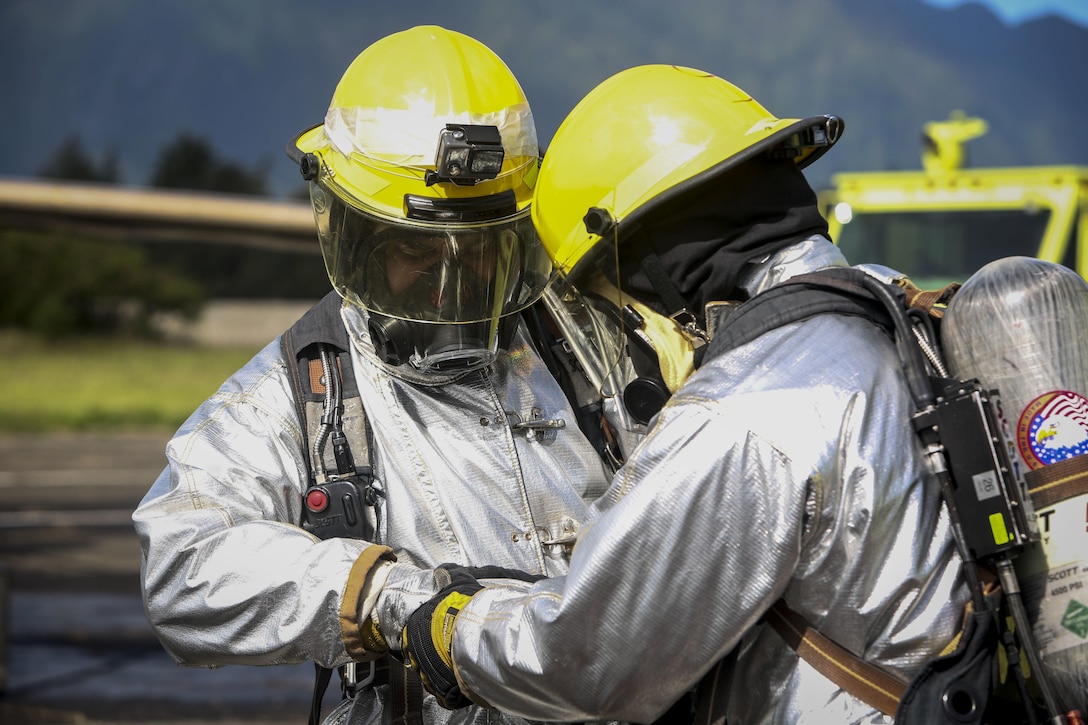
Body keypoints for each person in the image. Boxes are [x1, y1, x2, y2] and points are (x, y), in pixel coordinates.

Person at [399, 65, 975, 724]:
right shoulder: (900, 309)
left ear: (654, 271)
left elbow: (586, 659)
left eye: (608, 307)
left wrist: (452, 628)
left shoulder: (744, 406)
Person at [131, 26, 616, 725]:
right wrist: (379, 595)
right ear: (351, 238)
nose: (453, 280)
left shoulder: (587, 352)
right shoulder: (297, 391)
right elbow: (181, 564)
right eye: (416, 248)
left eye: (480, 248)